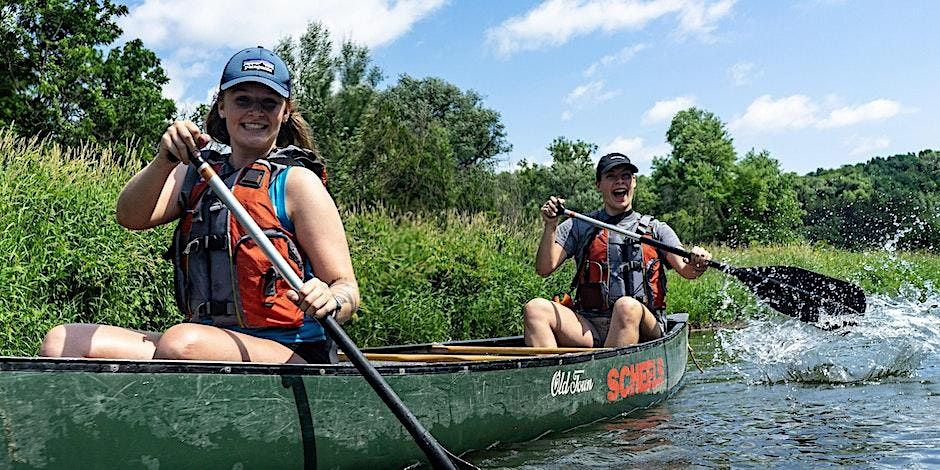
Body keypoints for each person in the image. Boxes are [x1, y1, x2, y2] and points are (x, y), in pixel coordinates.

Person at [39, 46, 360, 364]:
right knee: (62, 343)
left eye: (269, 103)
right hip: (204, 342)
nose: (256, 112)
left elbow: (346, 287)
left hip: (292, 351)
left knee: (181, 343)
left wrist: (331, 299)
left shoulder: (298, 182)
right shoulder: (198, 172)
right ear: (222, 106)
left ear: (285, 111)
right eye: (243, 100)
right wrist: (164, 160)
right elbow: (130, 216)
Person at [524, 152, 711, 348]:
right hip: (590, 325)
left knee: (625, 306)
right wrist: (551, 225)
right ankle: (554, 368)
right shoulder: (579, 226)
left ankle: (607, 366)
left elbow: (687, 271)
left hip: (643, 324)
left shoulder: (656, 229)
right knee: (535, 309)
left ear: (634, 182)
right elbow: (544, 268)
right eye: (611, 176)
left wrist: (698, 261)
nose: (619, 181)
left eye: (625, 176)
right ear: (598, 184)